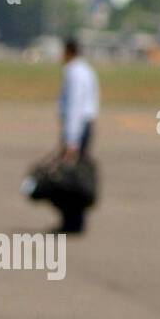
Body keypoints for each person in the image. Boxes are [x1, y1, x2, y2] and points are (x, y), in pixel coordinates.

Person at [56, 37, 99, 234]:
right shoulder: (87, 71)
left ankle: (71, 221)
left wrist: (71, 140)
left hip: (77, 129)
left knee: (70, 177)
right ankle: (76, 220)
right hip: (86, 126)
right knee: (77, 175)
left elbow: (74, 106)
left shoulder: (74, 73)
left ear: (69, 52)